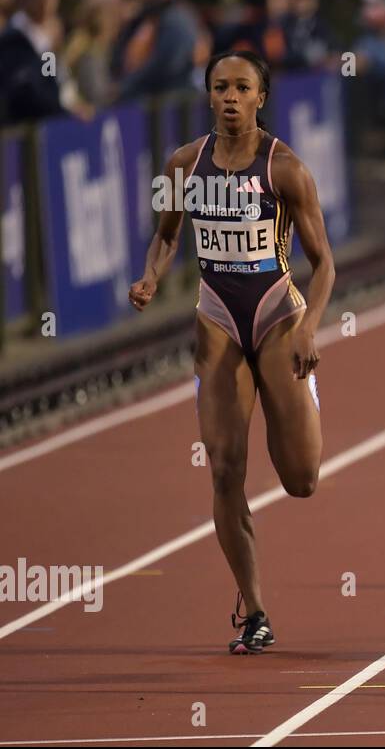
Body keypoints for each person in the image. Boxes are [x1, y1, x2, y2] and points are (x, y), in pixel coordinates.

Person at [128, 49, 336, 653]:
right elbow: (166, 236)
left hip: (276, 315)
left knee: (300, 479)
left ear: (260, 97)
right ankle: (255, 610)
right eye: (219, 87)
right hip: (216, 318)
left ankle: (298, 399)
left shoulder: (286, 168)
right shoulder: (183, 164)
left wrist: (308, 329)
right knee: (223, 467)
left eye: (241, 88)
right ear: (208, 94)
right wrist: (152, 276)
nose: (229, 98)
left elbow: (323, 265)